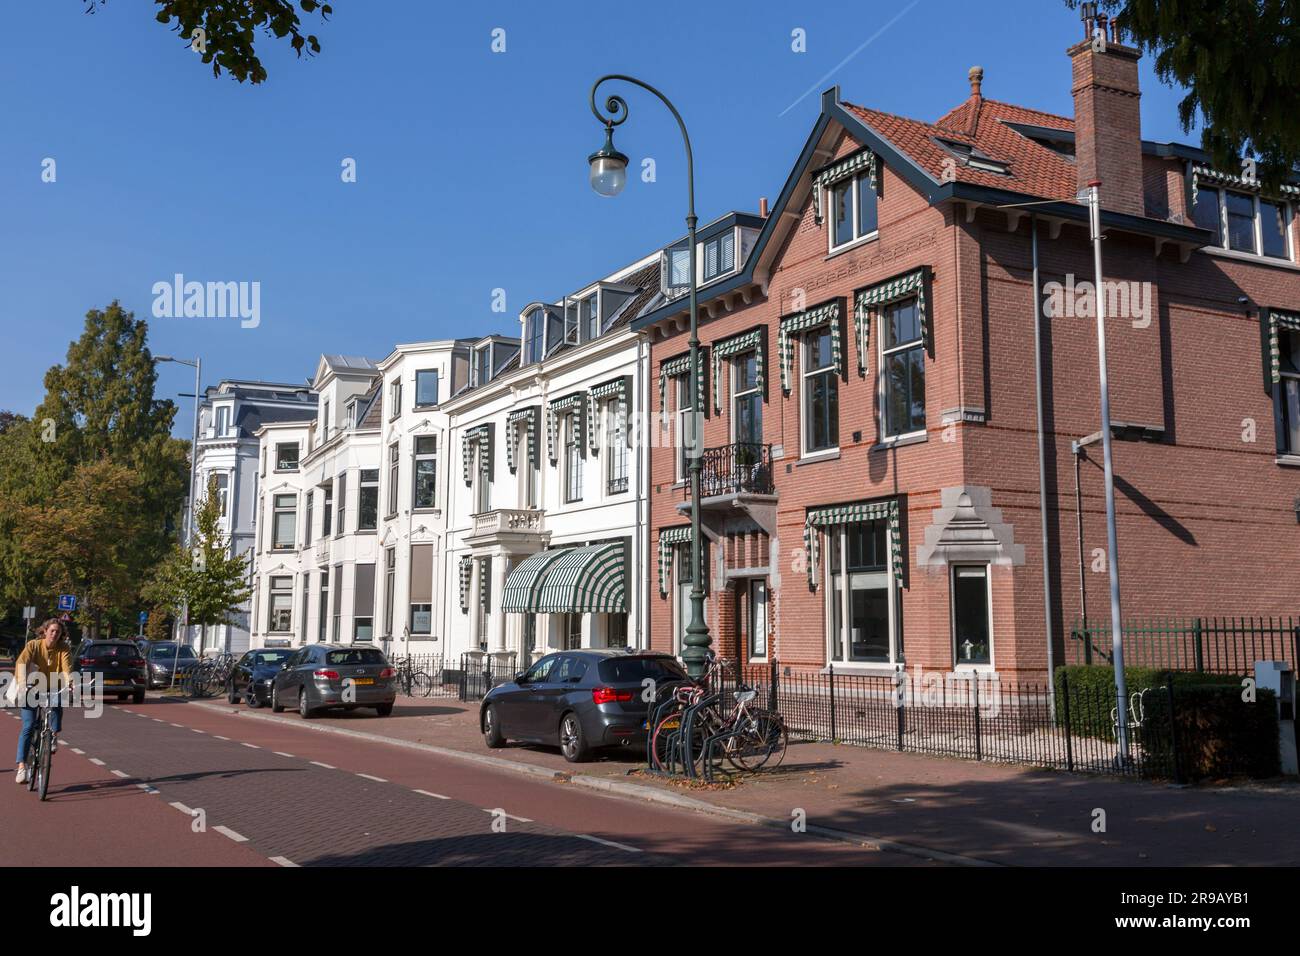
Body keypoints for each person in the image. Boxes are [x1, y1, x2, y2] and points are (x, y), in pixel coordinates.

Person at [14, 618, 74, 784]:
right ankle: (21, 766)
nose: (54, 634)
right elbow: (21, 663)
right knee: (28, 726)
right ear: (45, 631)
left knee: (57, 703)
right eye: (52, 631)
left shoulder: (63, 648)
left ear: (61, 634)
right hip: (31, 687)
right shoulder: (33, 645)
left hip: (52, 687)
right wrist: (23, 683)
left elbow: (66, 667)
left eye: (58, 632)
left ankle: (53, 735)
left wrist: (70, 682)